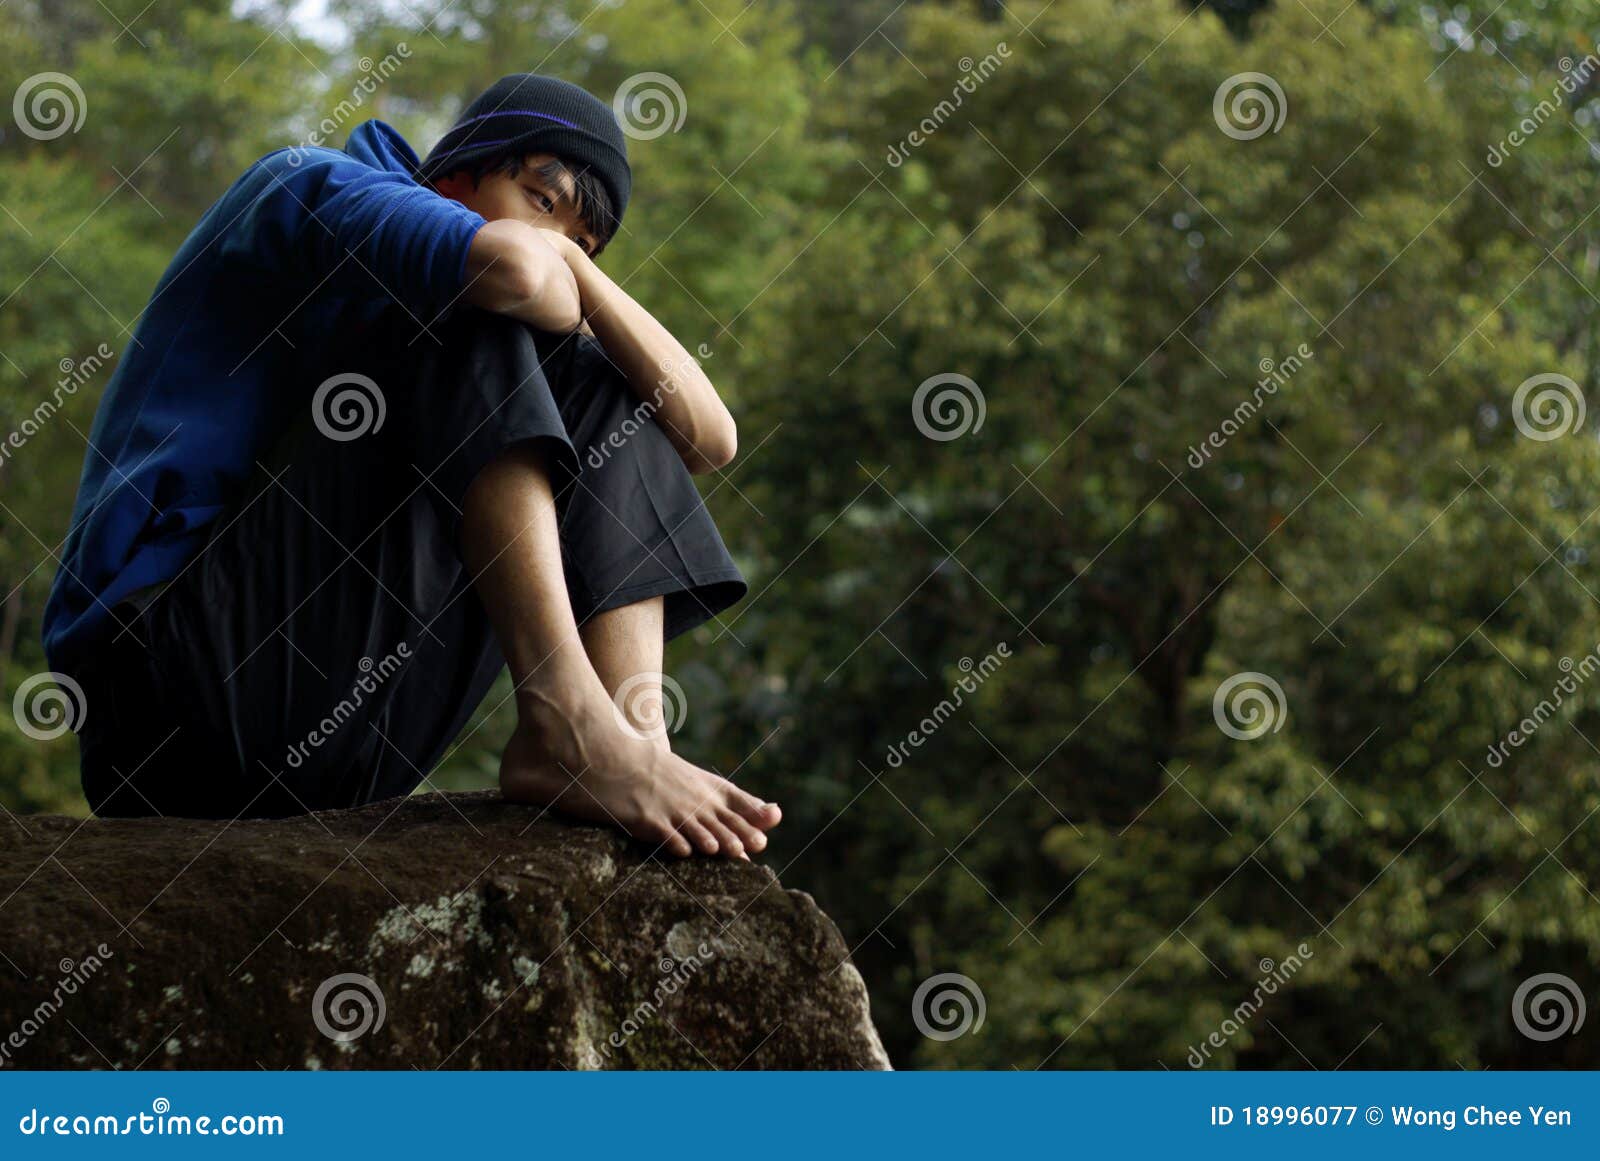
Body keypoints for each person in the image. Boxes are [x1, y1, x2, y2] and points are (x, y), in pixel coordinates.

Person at [41, 72, 780, 859]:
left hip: (340, 741)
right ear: (460, 168)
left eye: (583, 241)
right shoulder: (306, 183)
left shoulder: (534, 264)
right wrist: (560, 263)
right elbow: (519, 274)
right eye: (540, 198)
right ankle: (568, 717)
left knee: (607, 388)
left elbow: (709, 438)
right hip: (166, 694)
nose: (554, 242)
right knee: (469, 301)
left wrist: (577, 270)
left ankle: (632, 742)